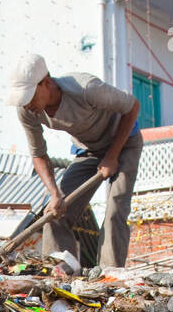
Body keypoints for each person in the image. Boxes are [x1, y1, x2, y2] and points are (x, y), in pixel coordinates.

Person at [7, 53, 142, 268]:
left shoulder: (86, 88)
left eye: (30, 96)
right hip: (88, 150)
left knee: (115, 210)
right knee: (54, 213)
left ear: (47, 83)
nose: (27, 104)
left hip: (124, 143)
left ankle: (109, 276)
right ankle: (61, 273)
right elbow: (38, 154)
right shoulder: (27, 111)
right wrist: (54, 193)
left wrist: (112, 155)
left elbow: (132, 106)